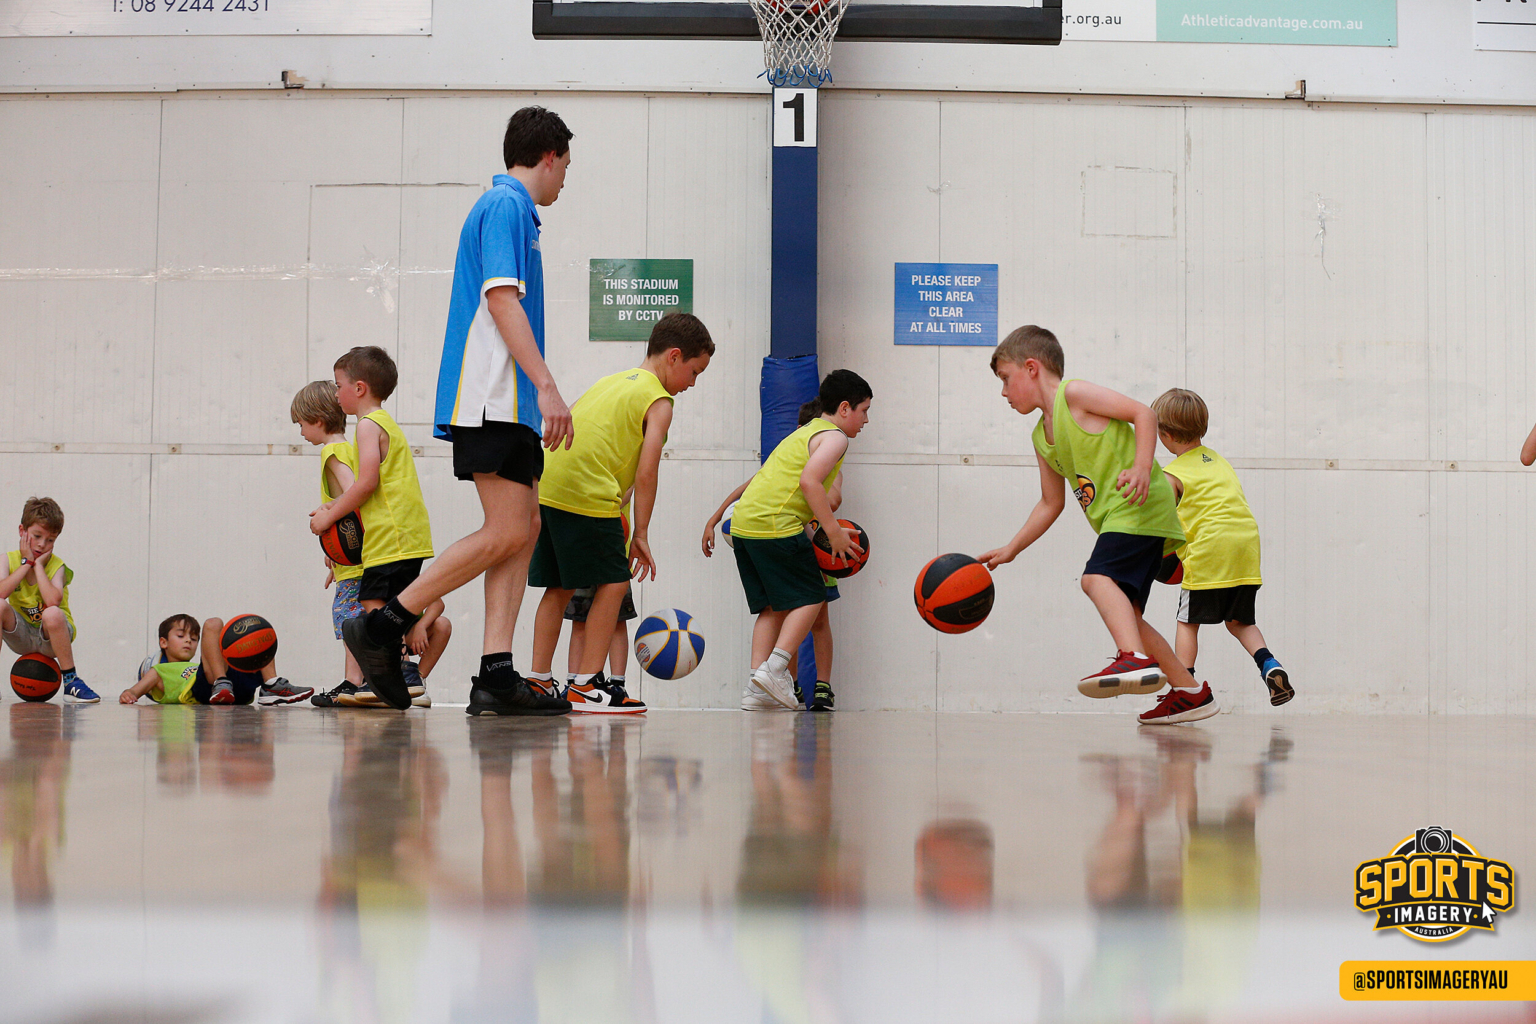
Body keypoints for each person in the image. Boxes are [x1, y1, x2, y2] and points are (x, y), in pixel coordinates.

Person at [342, 106, 576, 717]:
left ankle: (496, 672)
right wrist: (546, 388)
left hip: (511, 402)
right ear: (548, 156)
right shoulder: (504, 207)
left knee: (522, 531)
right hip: (492, 395)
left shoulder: (518, 216)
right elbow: (500, 300)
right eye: (565, 168)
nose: (564, 182)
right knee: (504, 530)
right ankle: (386, 624)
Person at [976, 326, 1210, 725]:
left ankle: (1132, 659)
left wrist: (1141, 467)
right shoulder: (1041, 436)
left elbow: (1145, 414)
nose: (1003, 392)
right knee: (1129, 616)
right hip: (1128, 520)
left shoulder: (1074, 395)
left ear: (1031, 368)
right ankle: (1190, 692)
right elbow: (1051, 503)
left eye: (1005, 378)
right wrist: (1012, 548)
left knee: (1094, 579)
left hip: (1138, 506)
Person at [525, 311, 714, 713]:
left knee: (558, 587)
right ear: (675, 357)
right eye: (695, 372)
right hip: (587, 494)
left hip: (549, 484)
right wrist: (640, 533)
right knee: (614, 581)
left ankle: (539, 680)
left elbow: (565, 423)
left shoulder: (610, 382)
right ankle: (586, 685)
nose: (693, 384)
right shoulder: (659, 400)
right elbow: (647, 472)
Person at [310, 347, 449, 711]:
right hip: (408, 534)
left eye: (338, 385)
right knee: (396, 604)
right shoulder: (386, 423)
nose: (335, 393)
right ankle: (398, 673)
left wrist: (328, 517)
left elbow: (366, 483)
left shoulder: (368, 427)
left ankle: (389, 674)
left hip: (391, 537)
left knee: (371, 602)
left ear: (358, 388)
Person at [724, 370, 871, 711]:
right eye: (864, 410)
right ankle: (775, 671)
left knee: (771, 608)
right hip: (775, 522)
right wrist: (832, 531)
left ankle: (755, 687)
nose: (866, 419)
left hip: (745, 524)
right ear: (845, 408)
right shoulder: (835, 437)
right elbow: (809, 482)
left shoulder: (805, 432)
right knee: (812, 594)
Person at [1151, 388, 1293, 707]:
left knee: (1188, 621)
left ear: (1166, 434)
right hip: (1245, 549)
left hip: (1210, 550)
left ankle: (1183, 688)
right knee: (1240, 621)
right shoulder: (1219, 460)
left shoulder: (1171, 475)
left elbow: (1157, 522)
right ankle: (1269, 664)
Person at [705, 398, 843, 712]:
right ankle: (776, 679)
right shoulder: (792, 459)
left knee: (814, 619)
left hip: (817, 549)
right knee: (790, 608)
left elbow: (832, 499)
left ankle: (819, 686)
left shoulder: (823, 462)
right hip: (782, 539)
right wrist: (714, 518)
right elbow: (748, 487)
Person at [0, 498, 96, 703]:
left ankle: (71, 682)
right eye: (37, 536)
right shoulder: (7, 559)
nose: (42, 544)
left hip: (52, 637)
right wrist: (26, 564)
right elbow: (1, 592)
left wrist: (39, 567)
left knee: (52, 612)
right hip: (23, 635)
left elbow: (53, 601)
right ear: (22, 531)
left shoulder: (57, 566)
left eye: (50, 540)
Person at [120, 613, 304, 705]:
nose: (188, 641)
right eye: (181, 636)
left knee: (254, 628)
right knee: (213, 623)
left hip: (236, 693)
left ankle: (271, 684)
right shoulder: (159, 670)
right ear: (163, 642)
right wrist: (130, 693)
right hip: (205, 689)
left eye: (193, 638)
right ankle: (221, 682)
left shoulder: (201, 663)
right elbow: (137, 689)